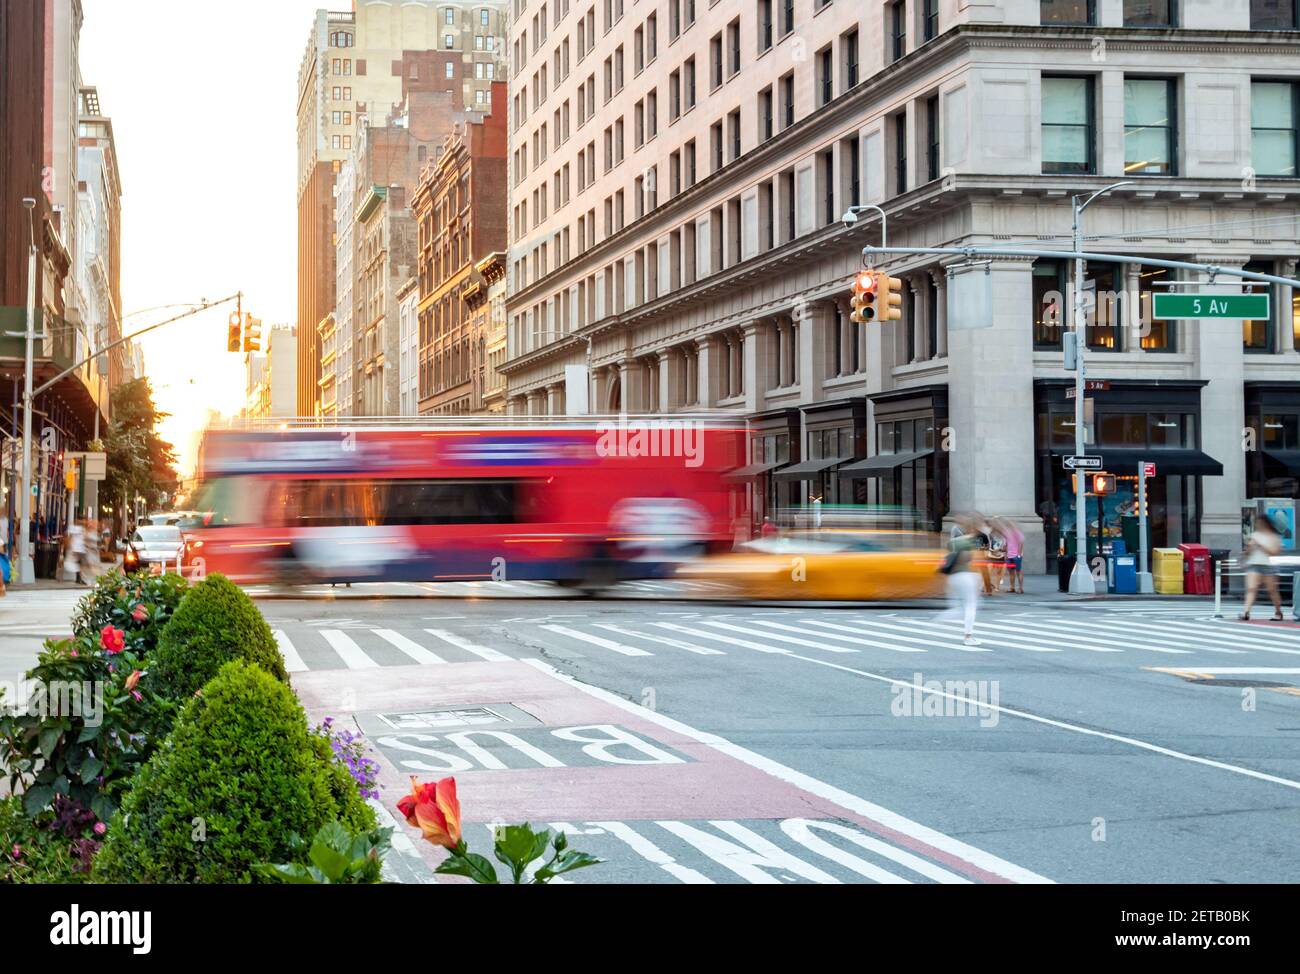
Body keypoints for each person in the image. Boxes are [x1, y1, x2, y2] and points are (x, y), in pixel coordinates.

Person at [941, 514, 984, 646]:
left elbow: (948, 552)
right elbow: (975, 560)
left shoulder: (955, 541)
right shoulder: (970, 541)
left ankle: (940, 619)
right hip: (966, 575)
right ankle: (968, 636)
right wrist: (978, 579)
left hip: (954, 576)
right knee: (971, 605)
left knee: (960, 606)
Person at [1240, 514, 1283, 622]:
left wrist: (1261, 546)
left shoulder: (1273, 536)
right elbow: (1248, 552)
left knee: (1272, 591)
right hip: (1254, 565)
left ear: (1266, 523)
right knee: (1251, 589)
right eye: (1257, 523)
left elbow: (1275, 552)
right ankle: (1246, 612)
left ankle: (1278, 612)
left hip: (1269, 566)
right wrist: (1248, 549)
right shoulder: (1255, 535)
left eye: (1260, 523)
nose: (1258, 525)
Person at [997, 517, 1026, 594]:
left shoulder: (1016, 532)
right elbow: (1006, 545)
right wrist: (1005, 552)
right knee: (1011, 572)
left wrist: (1019, 554)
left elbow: (1021, 542)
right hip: (1009, 556)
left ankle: (1020, 588)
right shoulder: (1006, 533)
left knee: (1018, 571)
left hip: (1016, 556)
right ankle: (1012, 587)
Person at [64, 518, 86, 585]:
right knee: (79, 564)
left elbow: (83, 538)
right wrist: (69, 545)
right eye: (81, 520)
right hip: (75, 548)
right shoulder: (73, 528)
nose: (82, 521)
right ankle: (79, 578)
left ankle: (79, 578)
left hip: (79, 549)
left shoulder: (82, 529)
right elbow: (69, 537)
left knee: (80, 564)